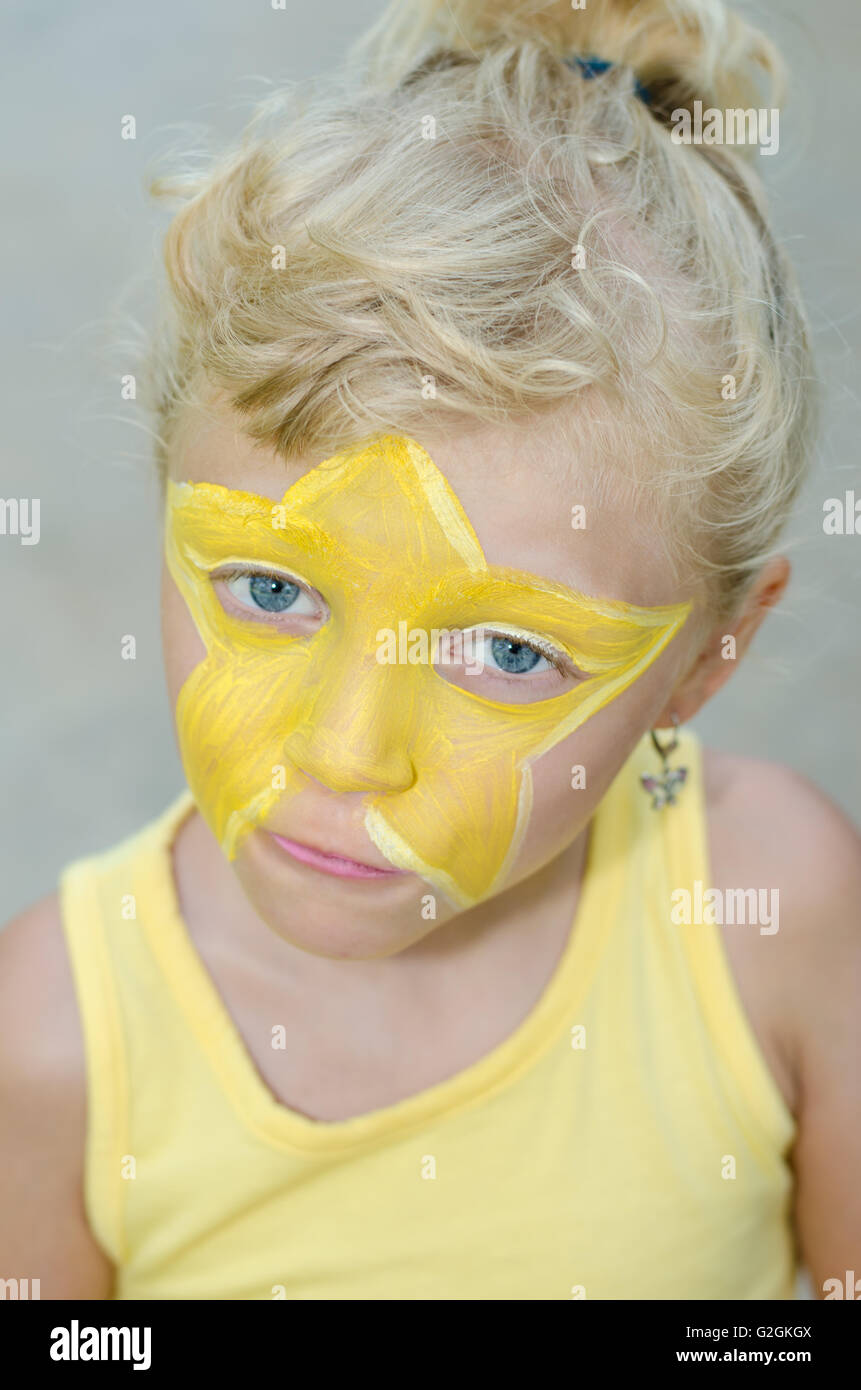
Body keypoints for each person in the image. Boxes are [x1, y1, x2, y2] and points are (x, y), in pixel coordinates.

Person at [1, 0, 859, 1300]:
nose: (345, 750)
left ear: (705, 659)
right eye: (270, 587)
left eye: (510, 653)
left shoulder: (773, 915)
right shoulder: (55, 1039)